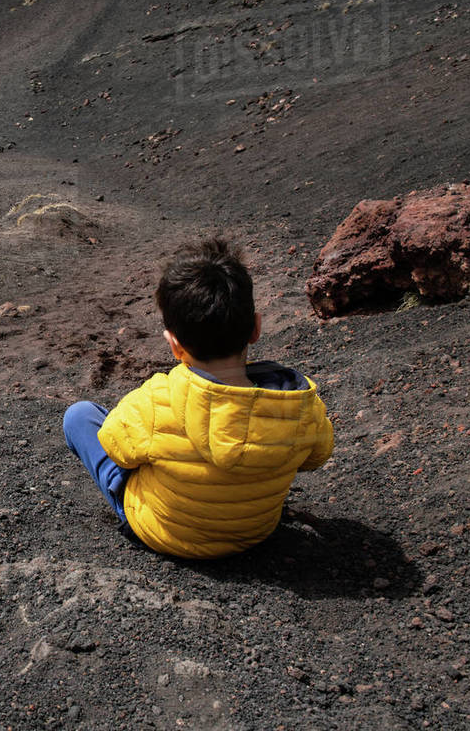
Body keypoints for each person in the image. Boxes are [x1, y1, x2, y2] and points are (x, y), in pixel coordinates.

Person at [63, 237, 334, 558]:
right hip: (254, 531)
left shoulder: (156, 399)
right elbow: (317, 457)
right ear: (256, 329)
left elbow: (115, 447)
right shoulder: (299, 404)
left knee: (80, 416)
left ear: (174, 345)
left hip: (165, 534)